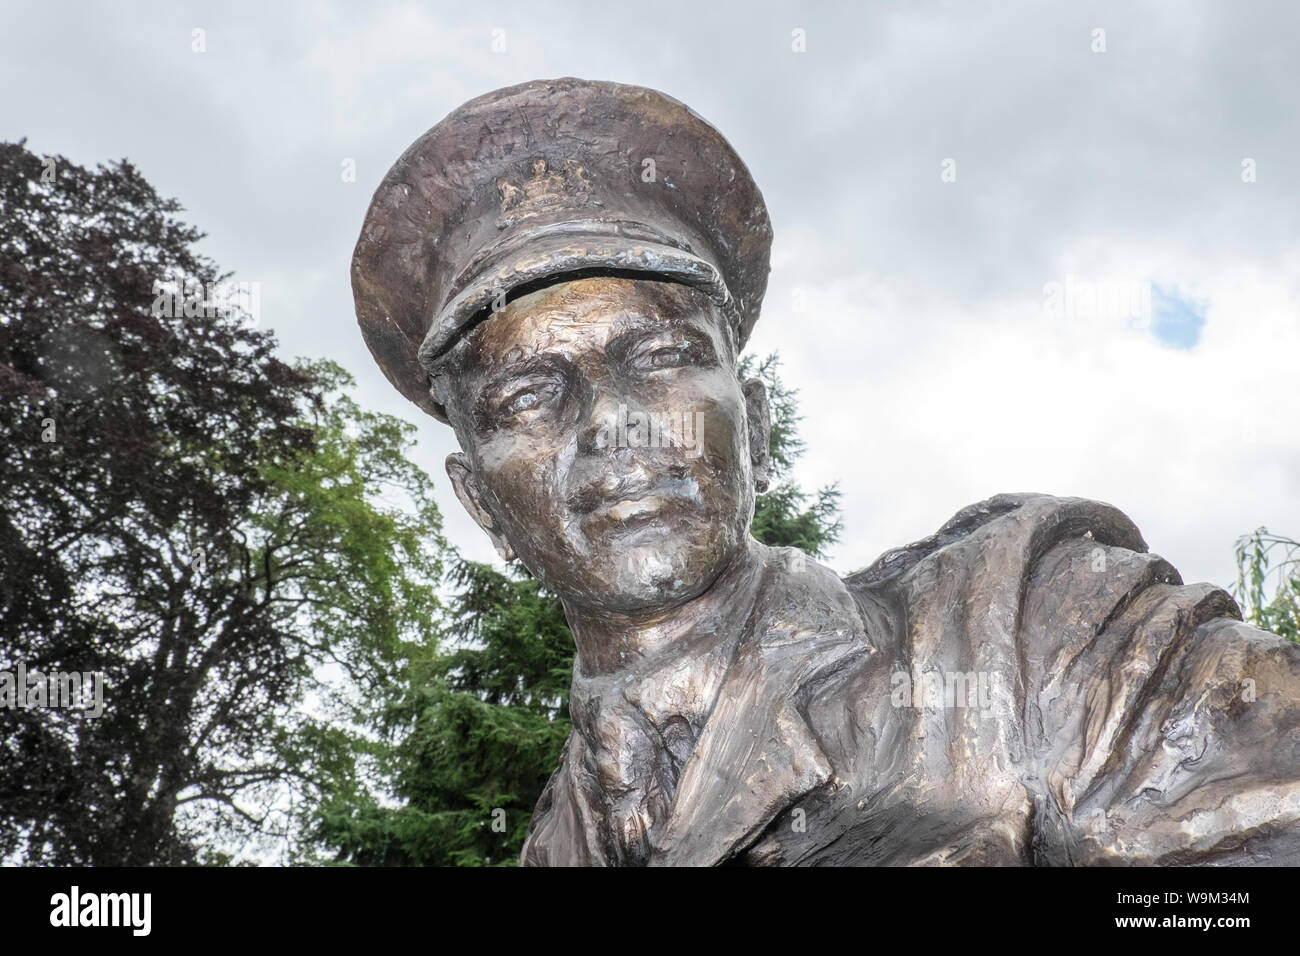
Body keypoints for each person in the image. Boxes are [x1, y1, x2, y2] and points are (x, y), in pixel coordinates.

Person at [352, 77, 1300, 866]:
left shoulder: (1040, 638)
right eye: (528, 396)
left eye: (660, 358)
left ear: (756, 429)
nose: (617, 426)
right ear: (481, 506)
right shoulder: (552, 847)